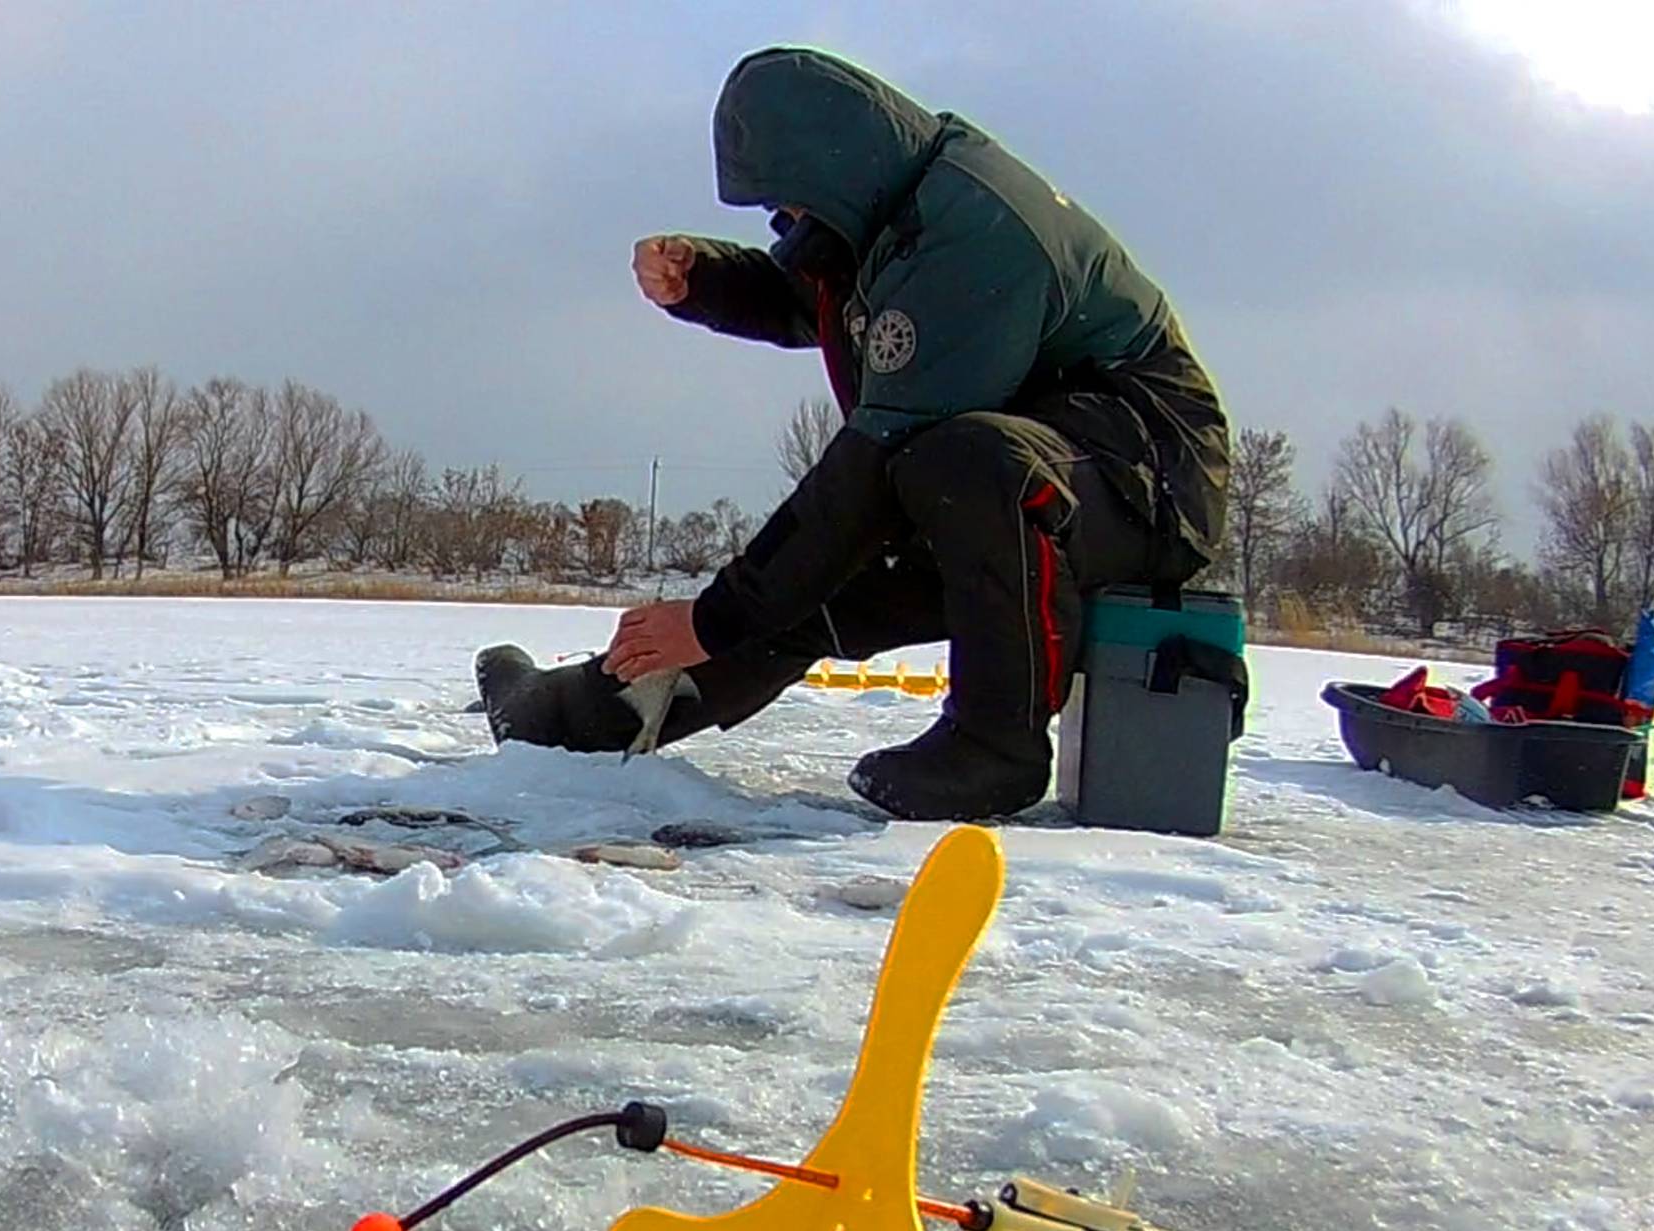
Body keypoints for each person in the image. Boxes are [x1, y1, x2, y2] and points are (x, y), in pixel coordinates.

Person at [477, 45, 1231, 820]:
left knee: (953, 466)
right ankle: (563, 721)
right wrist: (706, 280)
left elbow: (868, 468)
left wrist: (709, 618)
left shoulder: (970, 233)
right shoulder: (888, 216)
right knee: (811, 586)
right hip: (1000, 485)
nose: (787, 224)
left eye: (791, 205)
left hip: (1139, 477)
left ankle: (994, 750)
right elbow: (820, 304)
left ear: (834, 168)